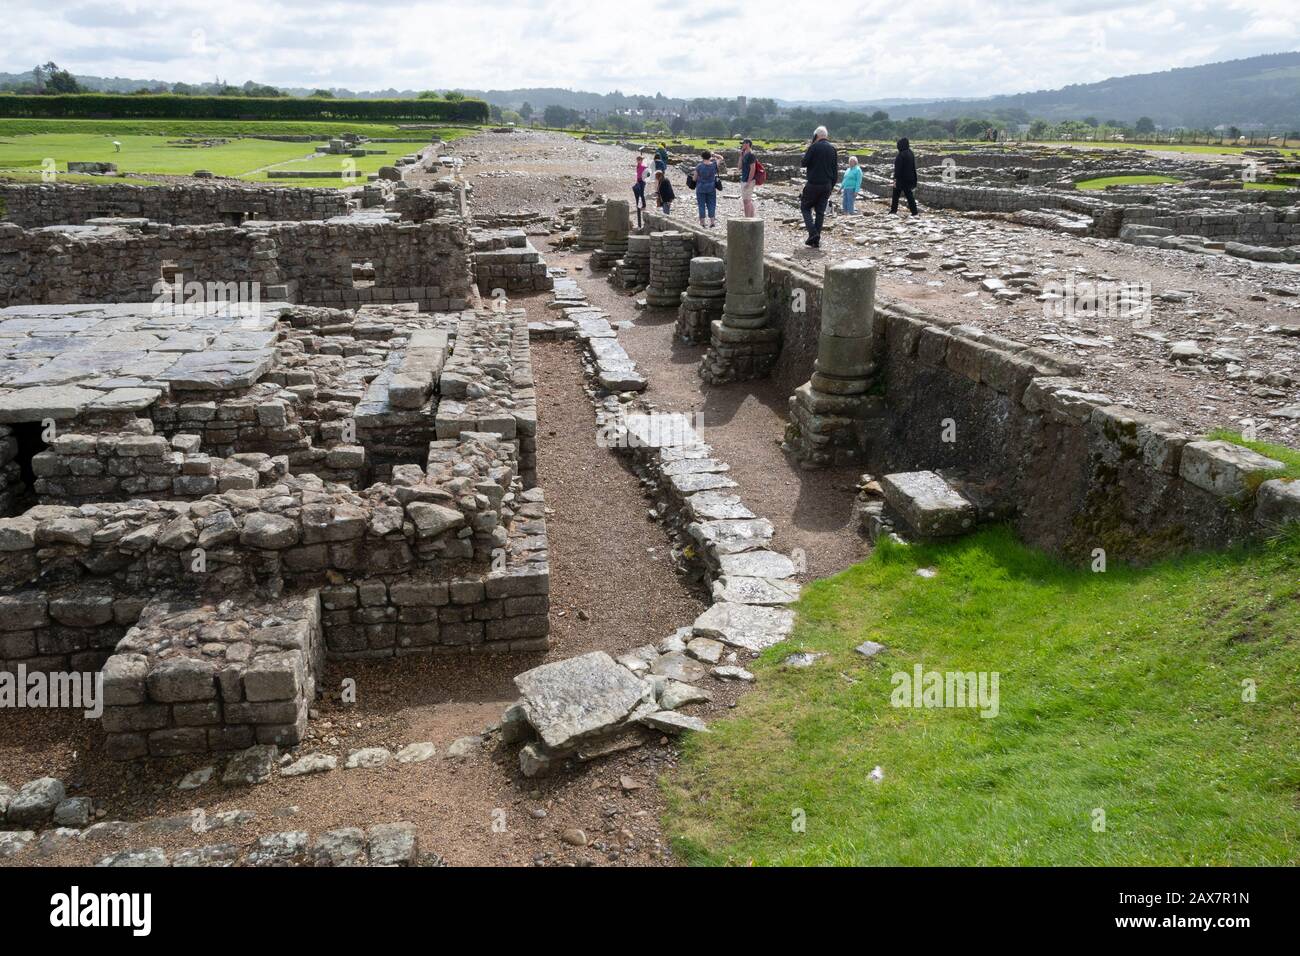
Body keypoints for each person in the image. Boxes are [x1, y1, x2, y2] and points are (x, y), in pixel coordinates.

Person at [800, 125, 837, 247]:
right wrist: (831, 187)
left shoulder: (814, 147)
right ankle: (815, 240)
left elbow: (804, 163)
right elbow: (835, 171)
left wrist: (809, 148)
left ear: (816, 136)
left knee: (805, 208)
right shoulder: (833, 149)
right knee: (820, 212)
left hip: (813, 184)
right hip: (827, 185)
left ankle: (813, 233)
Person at [891, 137, 919, 216]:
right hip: (910, 178)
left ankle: (893, 210)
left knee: (896, 195)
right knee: (909, 196)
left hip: (901, 179)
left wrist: (895, 179)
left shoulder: (901, 155)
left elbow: (898, 169)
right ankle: (914, 211)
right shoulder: (910, 153)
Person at [693, 149, 720, 227]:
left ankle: (702, 222)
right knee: (712, 204)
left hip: (701, 187)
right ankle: (712, 222)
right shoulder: (714, 165)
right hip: (711, 188)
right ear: (710, 156)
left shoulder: (699, 166)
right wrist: (714, 154)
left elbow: (694, 178)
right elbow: (721, 158)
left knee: (701, 205)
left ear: (702, 157)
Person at [739, 138, 758, 217]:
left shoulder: (751, 155)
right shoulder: (744, 154)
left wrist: (749, 182)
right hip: (744, 179)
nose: (742, 145)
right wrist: (740, 156)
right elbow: (739, 167)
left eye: (743, 143)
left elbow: (753, 169)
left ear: (747, 144)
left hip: (748, 180)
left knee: (746, 201)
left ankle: (747, 219)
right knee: (748, 200)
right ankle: (751, 217)